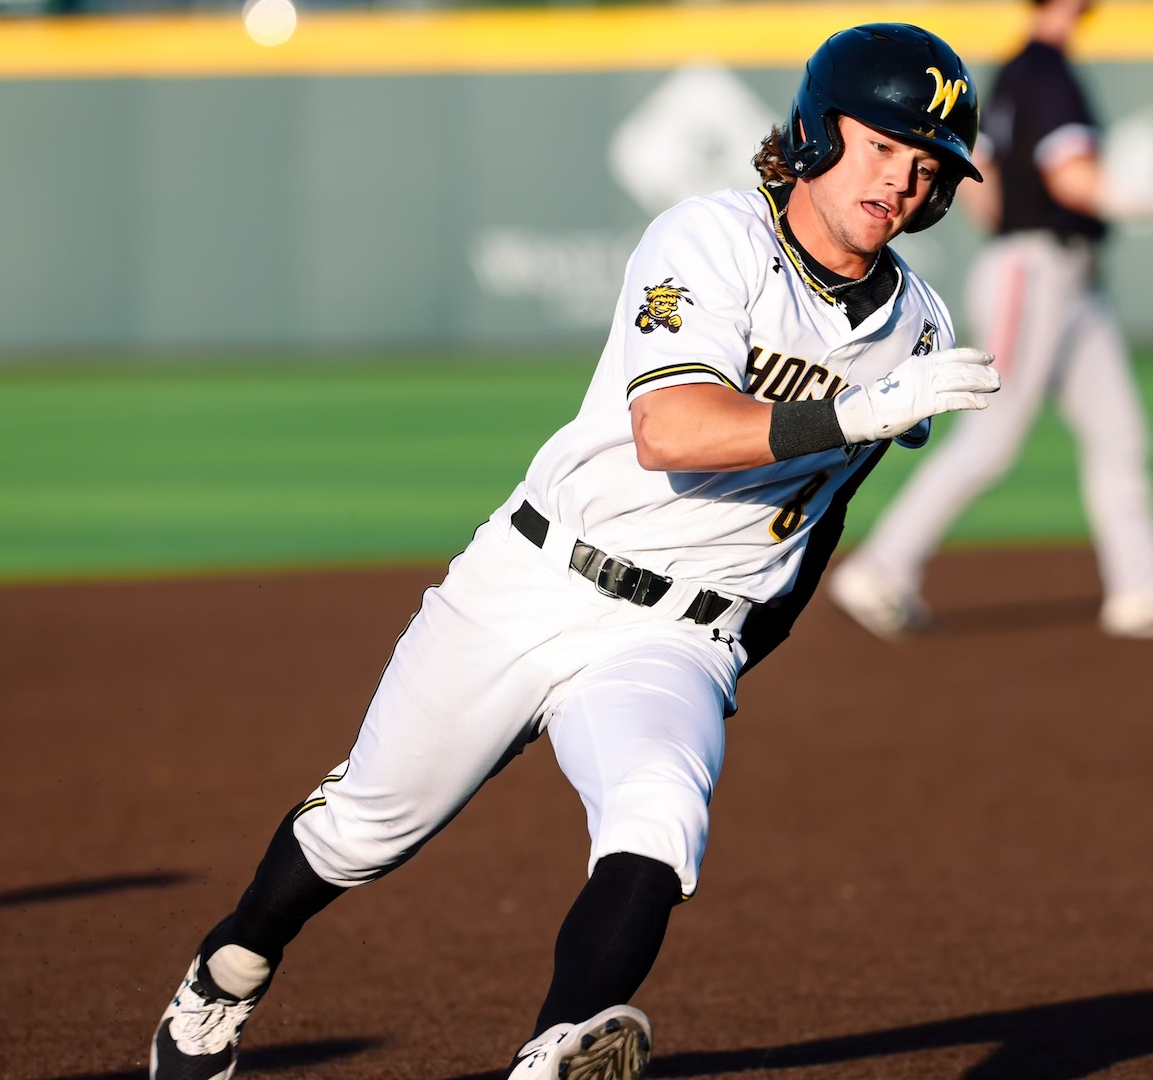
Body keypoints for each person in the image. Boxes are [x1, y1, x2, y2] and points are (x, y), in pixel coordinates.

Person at [147, 23, 1001, 1080]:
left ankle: (559, 1048)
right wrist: (863, 407)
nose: (904, 182)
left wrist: (739, 649)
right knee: (367, 828)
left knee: (659, 817)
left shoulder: (918, 327)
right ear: (821, 132)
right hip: (535, 578)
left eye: (929, 167)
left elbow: (821, 516)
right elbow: (673, 432)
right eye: (883, 147)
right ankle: (228, 968)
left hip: (678, 635)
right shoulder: (712, 237)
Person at [829, 0, 1153, 641]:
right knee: (993, 433)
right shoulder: (1046, 72)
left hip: (1063, 276)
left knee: (1118, 433)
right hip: (1035, 271)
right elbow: (1072, 182)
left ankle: (1142, 587)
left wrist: (1015, 234)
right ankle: (880, 569)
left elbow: (981, 178)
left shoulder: (1013, 71)